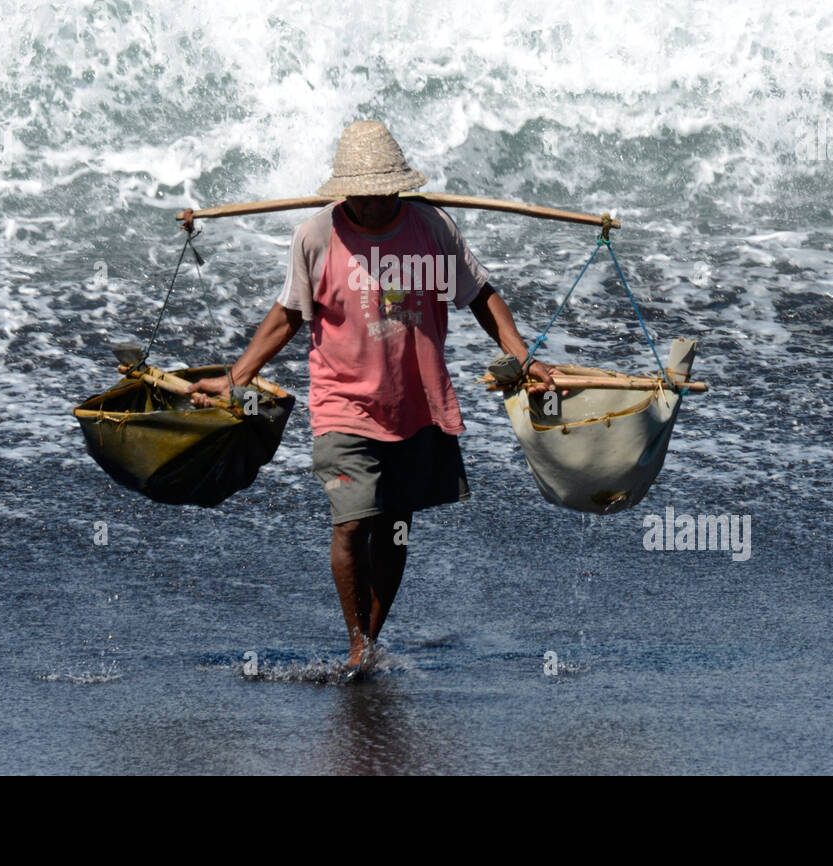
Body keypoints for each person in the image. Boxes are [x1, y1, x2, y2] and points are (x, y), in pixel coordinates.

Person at [176, 120, 556, 671]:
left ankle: (369, 644)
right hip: (342, 404)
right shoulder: (316, 236)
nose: (375, 203)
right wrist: (237, 378)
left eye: (385, 193)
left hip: (416, 405)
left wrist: (523, 356)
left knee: (395, 528)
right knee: (353, 522)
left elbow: (481, 296)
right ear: (344, 190)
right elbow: (286, 316)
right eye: (364, 193)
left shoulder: (431, 228)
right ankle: (357, 641)